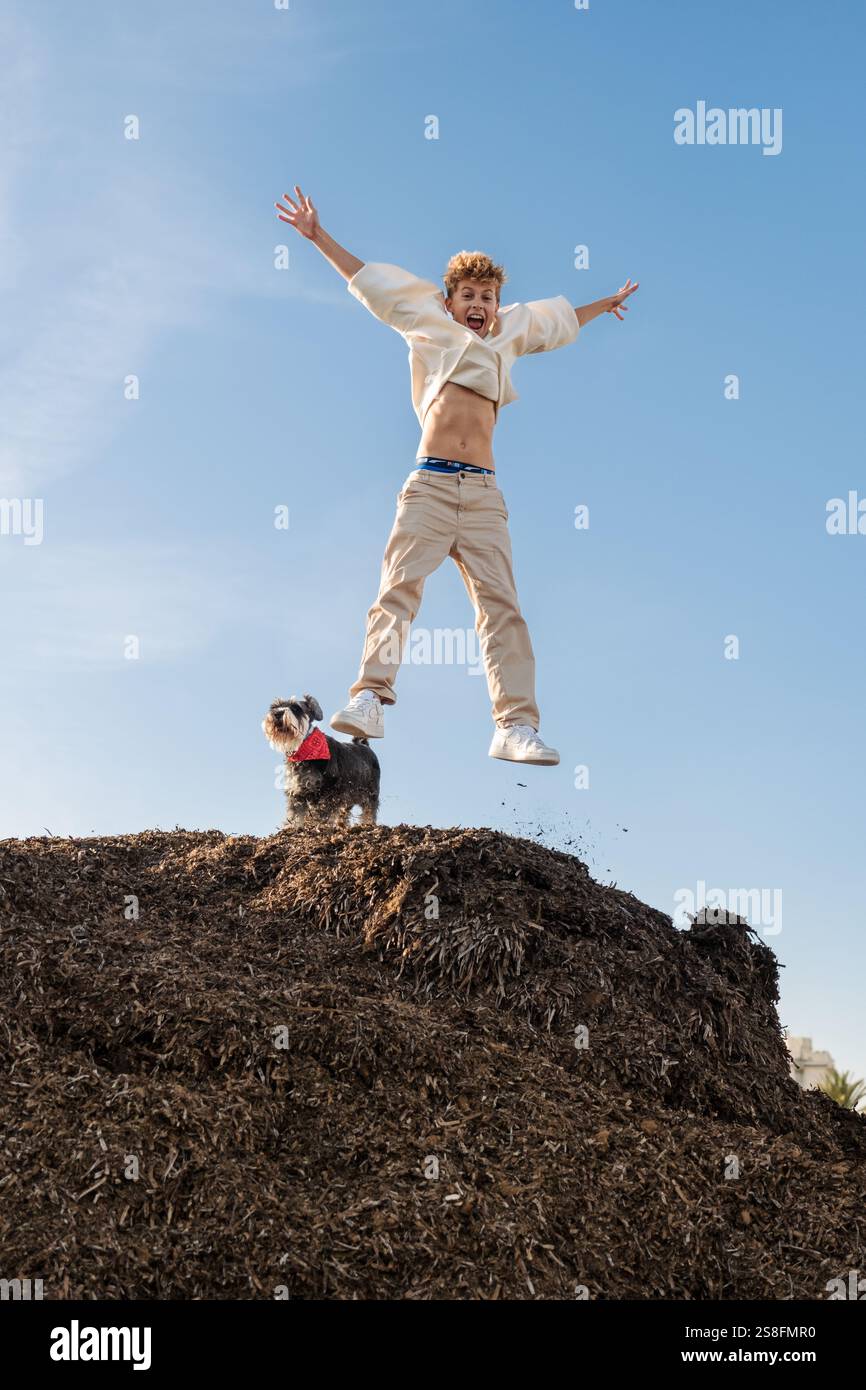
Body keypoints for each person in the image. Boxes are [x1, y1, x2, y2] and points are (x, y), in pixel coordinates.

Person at [275, 185, 638, 764]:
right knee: (398, 591)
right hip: (431, 485)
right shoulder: (426, 319)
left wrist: (606, 303)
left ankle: (515, 725)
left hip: (485, 496)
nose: (478, 303)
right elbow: (369, 284)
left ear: (497, 304)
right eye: (468, 294)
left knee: (503, 608)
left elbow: (561, 319)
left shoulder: (512, 331)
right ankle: (369, 694)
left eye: (487, 296)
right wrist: (318, 236)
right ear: (449, 301)